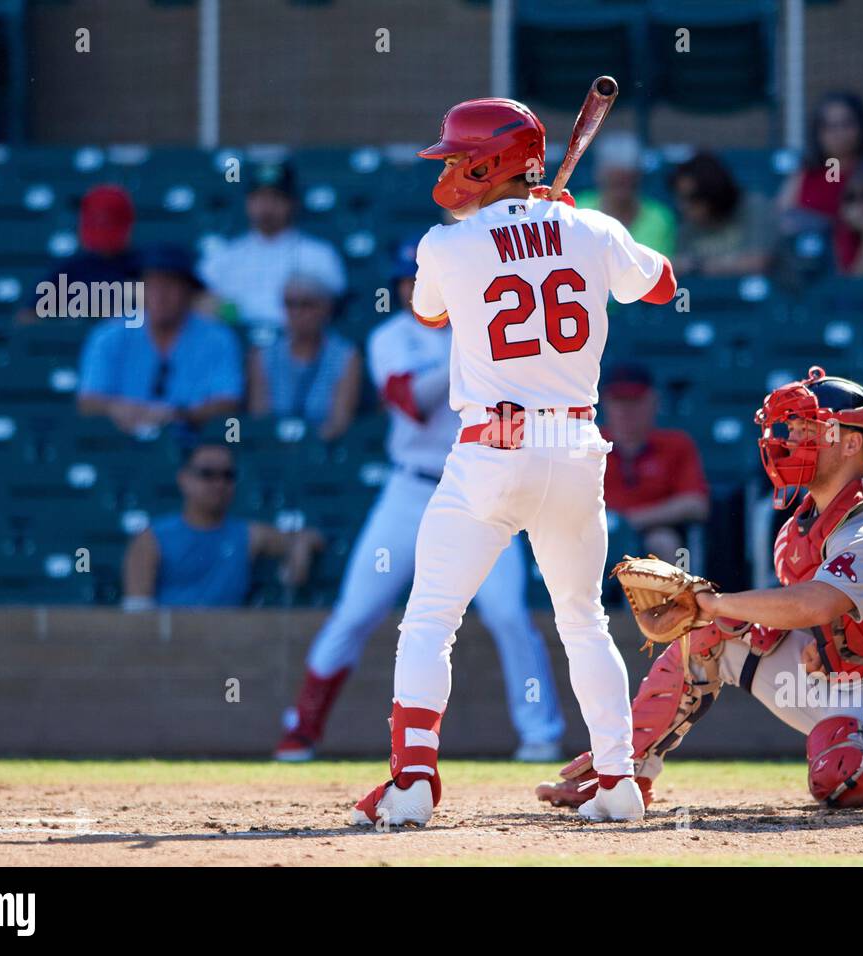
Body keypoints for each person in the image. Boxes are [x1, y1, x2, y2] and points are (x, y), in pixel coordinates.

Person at [351, 96, 676, 828]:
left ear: (489, 162)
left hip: (491, 452)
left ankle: (411, 785)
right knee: (583, 621)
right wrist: (570, 231)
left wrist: (532, 230)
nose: (449, 169)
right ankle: (619, 783)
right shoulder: (590, 227)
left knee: (432, 619)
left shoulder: (445, 245)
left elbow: (432, 314)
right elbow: (660, 283)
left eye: (459, 157)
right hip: (577, 449)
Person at [535, 367, 863, 811]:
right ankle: (620, 773)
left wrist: (712, 601)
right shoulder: (796, 530)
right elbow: (815, 623)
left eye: (810, 430)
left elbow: (816, 602)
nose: (792, 439)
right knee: (710, 630)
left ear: (852, 444)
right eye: (793, 428)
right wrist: (729, 618)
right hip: (840, 687)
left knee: (841, 775)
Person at [274, 243, 565, 763]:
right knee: (358, 610)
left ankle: (540, 731)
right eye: (409, 281)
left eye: (427, 278)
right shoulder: (392, 336)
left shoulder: (493, 329)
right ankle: (302, 728)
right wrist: (474, 359)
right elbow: (409, 400)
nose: (418, 289)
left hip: (482, 484)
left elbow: (522, 409)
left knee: (505, 613)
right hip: (411, 488)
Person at [121, 443, 324, 608]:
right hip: (169, 647)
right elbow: (137, 612)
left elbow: (309, 537)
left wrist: (301, 548)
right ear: (184, 479)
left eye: (228, 475)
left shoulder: (248, 535)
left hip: (229, 646)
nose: (219, 484)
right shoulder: (152, 539)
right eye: (207, 474)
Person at [77, 244, 244, 434]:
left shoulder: (217, 339)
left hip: (194, 442)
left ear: (188, 292)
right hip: (120, 443)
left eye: (170, 286)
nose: (160, 295)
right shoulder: (110, 335)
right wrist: (116, 408)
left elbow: (228, 403)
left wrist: (177, 415)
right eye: (152, 285)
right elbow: (88, 401)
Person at [197, 160, 347, 329]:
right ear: (248, 202)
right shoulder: (224, 256)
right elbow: (200, 302)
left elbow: (331, 305)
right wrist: (232, 313)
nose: (266, 206)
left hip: (296, 346)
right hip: (236, 343)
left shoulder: (319, 254)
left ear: (292, 203)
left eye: (275, 197)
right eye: (259, 197)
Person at [600, 363, 709, 561]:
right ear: (605, 403)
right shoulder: (584, 446)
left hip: (648, 532)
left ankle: (673, 593)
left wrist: (630, 521)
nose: (626, 410)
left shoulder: (676, 444)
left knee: (664, 543)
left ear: (653, 401)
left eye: (635, 401)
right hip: (592, 533)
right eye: (618, 401)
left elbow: (696, 504)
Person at [247, 270, 361, 440]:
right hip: (273, 449)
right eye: (290, 304)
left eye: (306, 305)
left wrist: (306, 446)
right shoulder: (263, 357)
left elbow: (340, 422)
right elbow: (260, 420)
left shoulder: (346, 356)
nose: (297, 312)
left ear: (326, 308)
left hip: (324, 450)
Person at [17, 183, 141, 324]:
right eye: (96, 222)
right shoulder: (68, 269)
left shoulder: (145, 267)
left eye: (109, 223)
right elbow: (26, 317)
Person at [777, 92, 863, 230]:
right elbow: (782, 217)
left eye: (846, 124)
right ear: (818, 133)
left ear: (862, 128)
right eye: (829, 127)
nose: (838, 133)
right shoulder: (804, 175)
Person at [668, 151, 775, 276]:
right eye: (681, 198)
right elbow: (677, 266)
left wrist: (696, 266)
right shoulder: (687, 223)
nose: (684, 206)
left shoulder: (753, 207)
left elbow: (758, 261)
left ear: (713, 194)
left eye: (692, 198)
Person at [576, 132, 676, 256]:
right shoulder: (576, 211)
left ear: (638, 178)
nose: (621, 192)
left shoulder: (660, 218)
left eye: (628, 183)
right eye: (615, 183)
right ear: (599, 176)